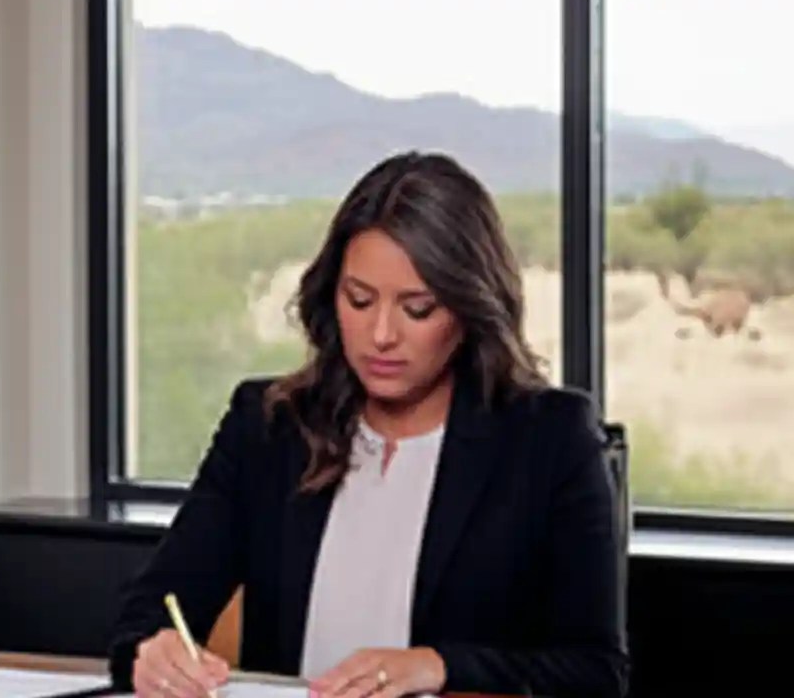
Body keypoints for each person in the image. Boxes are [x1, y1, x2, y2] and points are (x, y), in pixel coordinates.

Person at [107, 152, 628, 698]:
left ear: (470, 309)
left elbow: (596, 674)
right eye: (359, 300)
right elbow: (147, 616)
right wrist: (152, 652)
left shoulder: (548, 439)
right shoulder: (268, 427)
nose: (380, 335)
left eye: (418, 309)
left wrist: (438, 667)